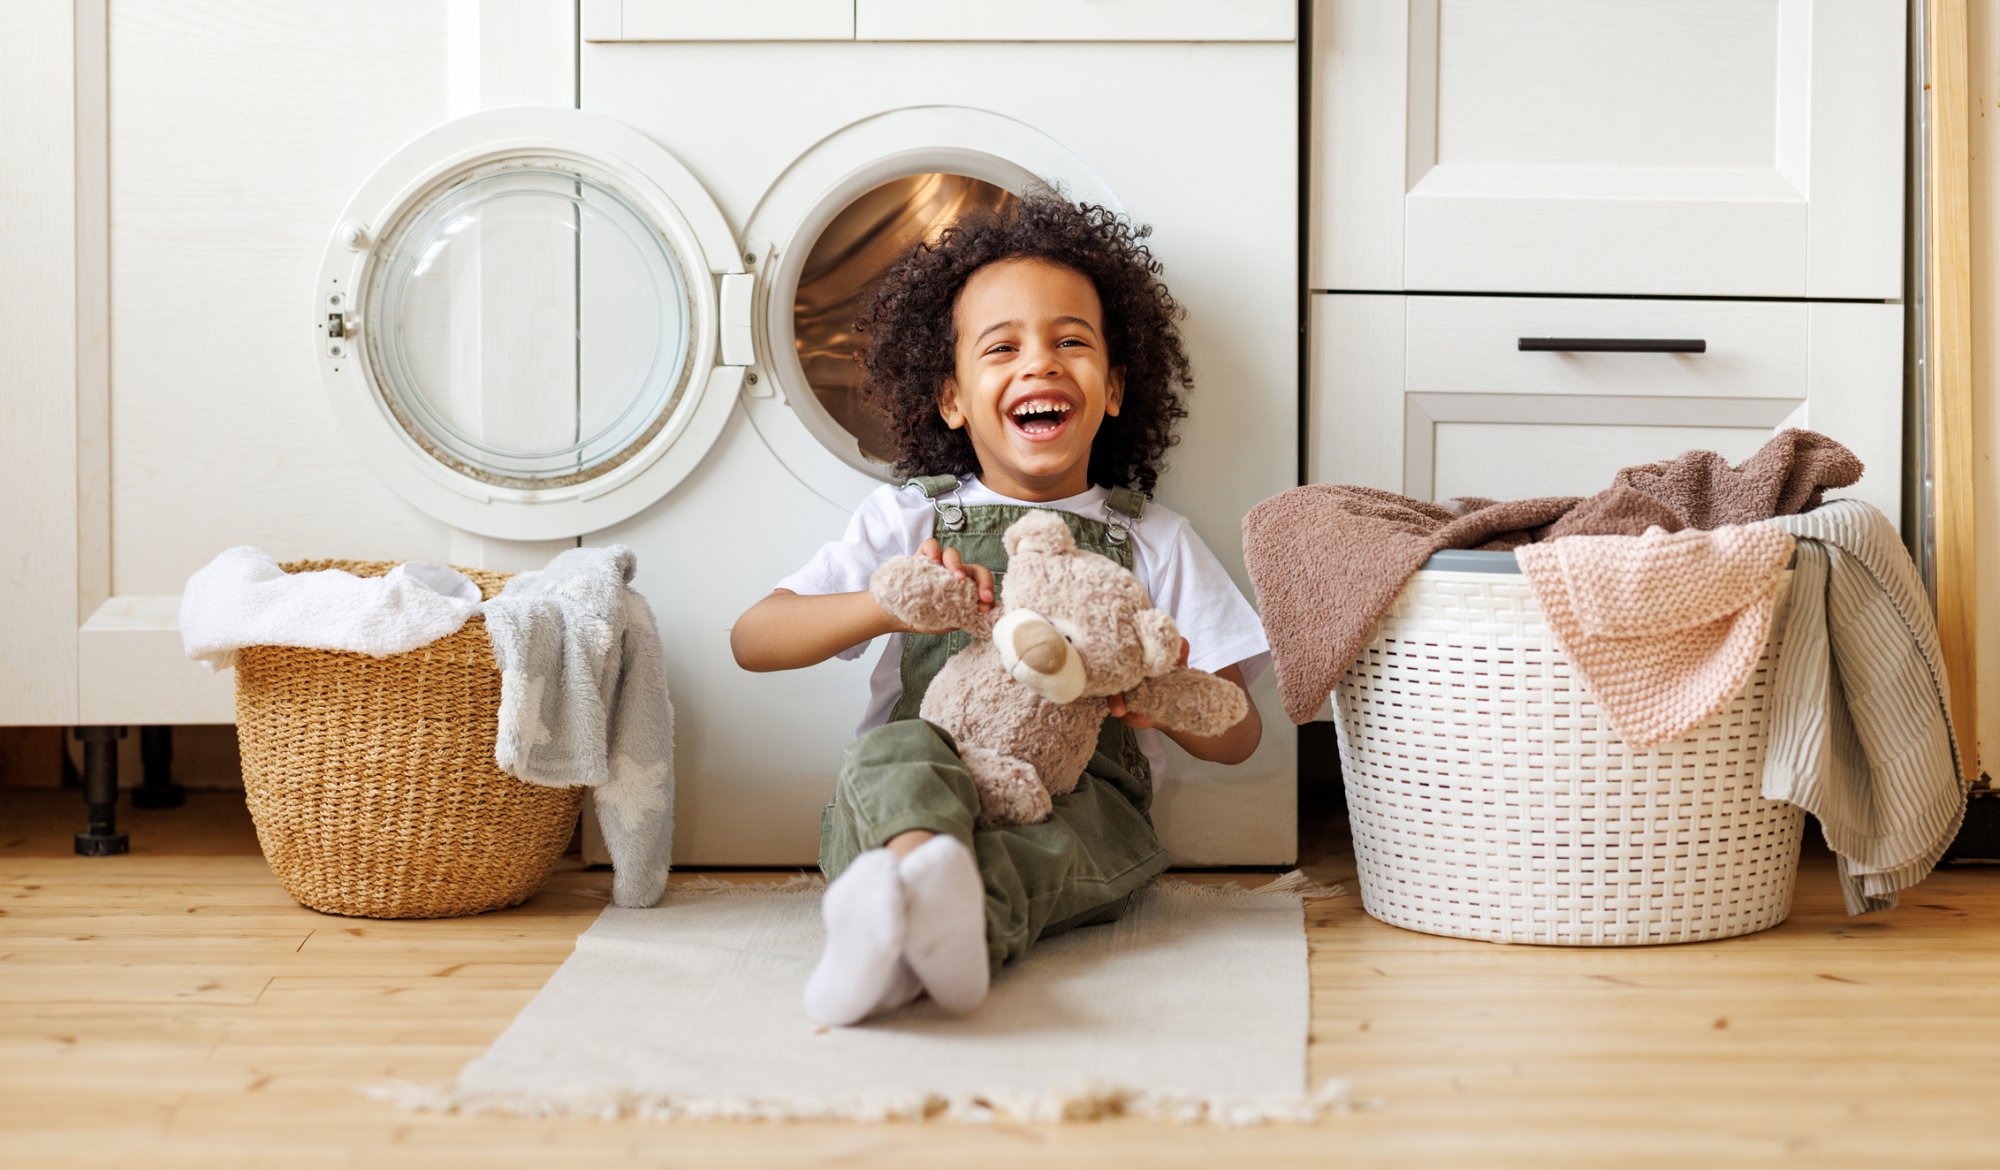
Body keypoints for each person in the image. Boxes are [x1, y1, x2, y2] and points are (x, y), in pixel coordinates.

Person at [730, 194, 1268, 1026]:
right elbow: (754, 638)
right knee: (895, 756)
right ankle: (918, 877)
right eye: (1003, 347)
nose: (1041, 365)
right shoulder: (908, 520)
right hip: (917, 776)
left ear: (1115, 388)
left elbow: (1237, 733)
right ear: (952, 398)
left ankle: (910, 932)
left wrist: (1156, 702)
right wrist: (882, 608)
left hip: (1074, 801)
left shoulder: (1152, 537)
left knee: (1047, 846)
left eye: (1071, 343)